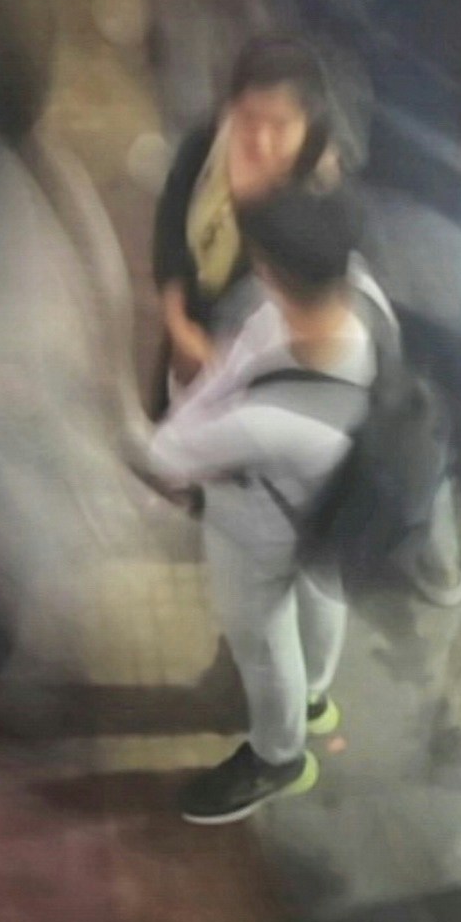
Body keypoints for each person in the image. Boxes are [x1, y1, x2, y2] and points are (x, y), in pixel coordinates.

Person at [135, 181, 381, 822]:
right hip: (334, 512)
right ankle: (315, 699)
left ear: (270, 271)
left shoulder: (265, 421)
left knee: (263, 642)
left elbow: (165, 456)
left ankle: (279, 758)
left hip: (259, 528)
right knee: (324, 594)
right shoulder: (369, 306)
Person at [147, 34, 353, 405]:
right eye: (248, 118)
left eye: (280, 125)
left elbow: (306, 312)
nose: (259, 141)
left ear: (311, 124)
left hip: (253, 392)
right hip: (188, 335)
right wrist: (178, 323)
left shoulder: (323, 209)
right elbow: (172, 222)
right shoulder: (210, 143)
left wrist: (250, 203)